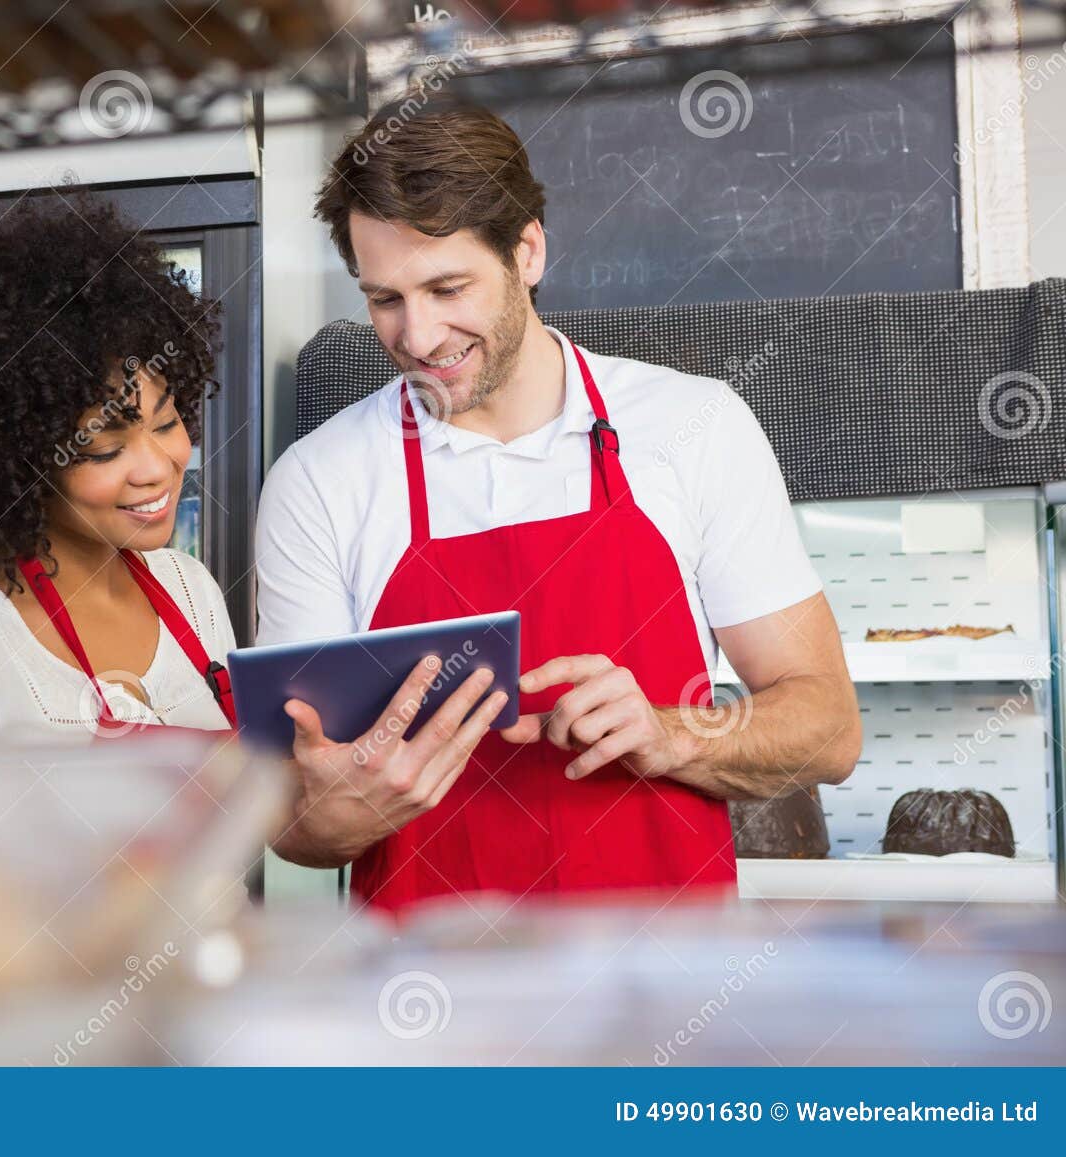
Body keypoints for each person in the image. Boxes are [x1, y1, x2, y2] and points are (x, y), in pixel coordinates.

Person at [256, 97, 863, 913]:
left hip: (664, 999)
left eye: (447, 287)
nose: (420, 335)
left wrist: (672, 731)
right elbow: (291, 822)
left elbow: (828, 727)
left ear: (528, 250)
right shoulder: (316, 482)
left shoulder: (694, 427)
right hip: (422, 1006)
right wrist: (339, 810)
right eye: (385, 299)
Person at [0, 194, 236, 749]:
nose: (157, 469)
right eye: (105, 449)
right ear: (19, 460)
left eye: (166, 423)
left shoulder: (191, 590)